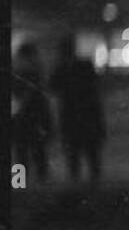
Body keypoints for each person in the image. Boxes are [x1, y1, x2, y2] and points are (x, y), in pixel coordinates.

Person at [48, 33, 106, 185]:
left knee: (75, 156)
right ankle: (92, 185)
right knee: (90, 154)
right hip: (86, 116)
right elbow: (94, 87)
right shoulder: (84, 65)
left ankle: (78, 187)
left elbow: (53, 87)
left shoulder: (62, 69)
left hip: (72, 117)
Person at [11, 39, 53, 184]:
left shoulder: (16, 73)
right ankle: (41, 181)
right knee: (38, 150)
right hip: (35, 117)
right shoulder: (37, 73)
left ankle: (19, 182)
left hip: (20, 117)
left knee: (21, 151)